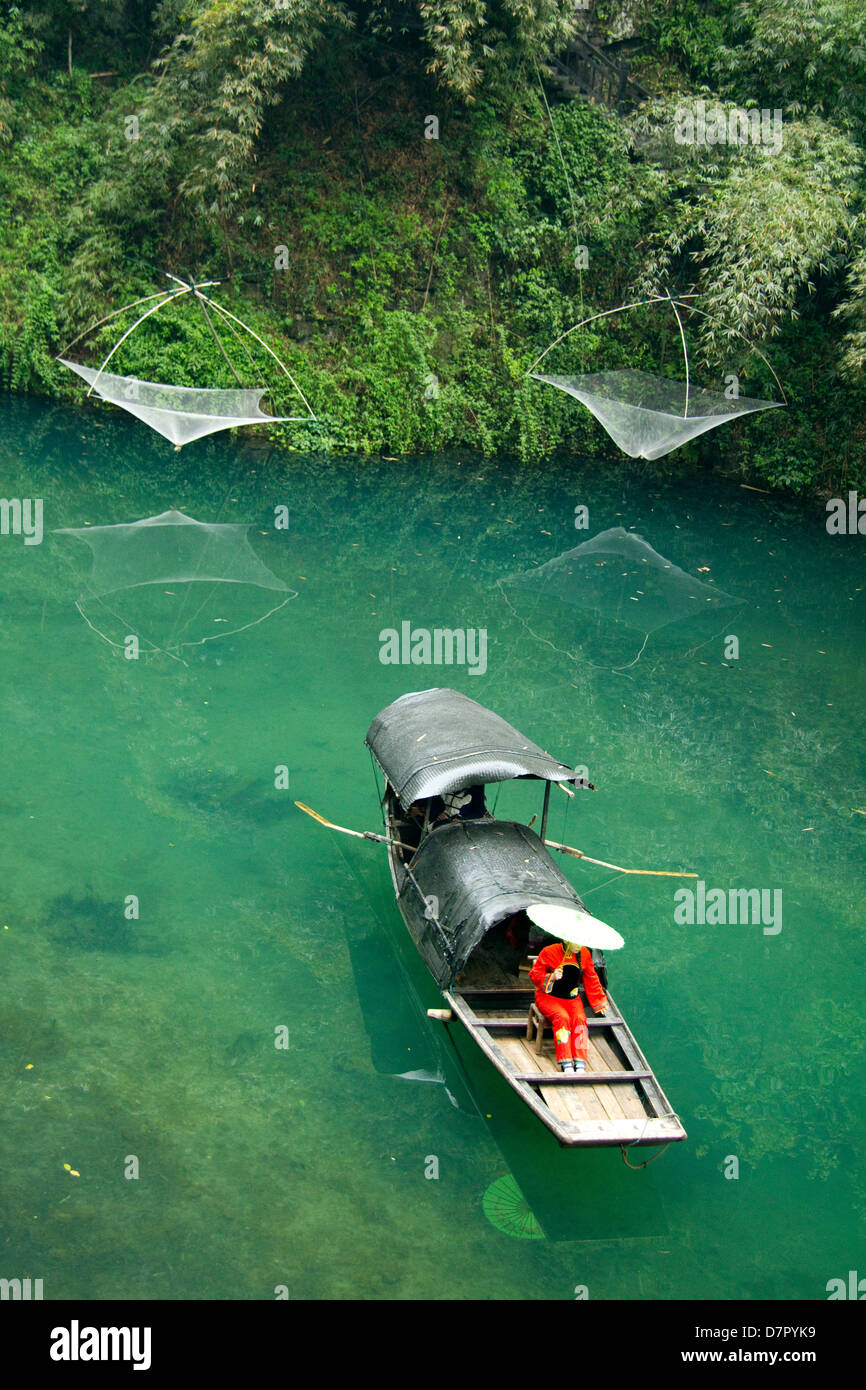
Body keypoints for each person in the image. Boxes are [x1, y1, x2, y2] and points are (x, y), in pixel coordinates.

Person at [529, 939, 607, 1073]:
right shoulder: (549, 952)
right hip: (549, 997)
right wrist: (551, 977)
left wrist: (599, 1001)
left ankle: (580, 1062)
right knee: (562, 1017)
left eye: (581, 942)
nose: (579, 946)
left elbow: (591, 978)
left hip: (571, 998)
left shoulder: (584, 953)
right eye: (575, 942)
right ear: (566, 940)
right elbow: (535, 975)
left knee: (580, 1019)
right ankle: (566, 1062)